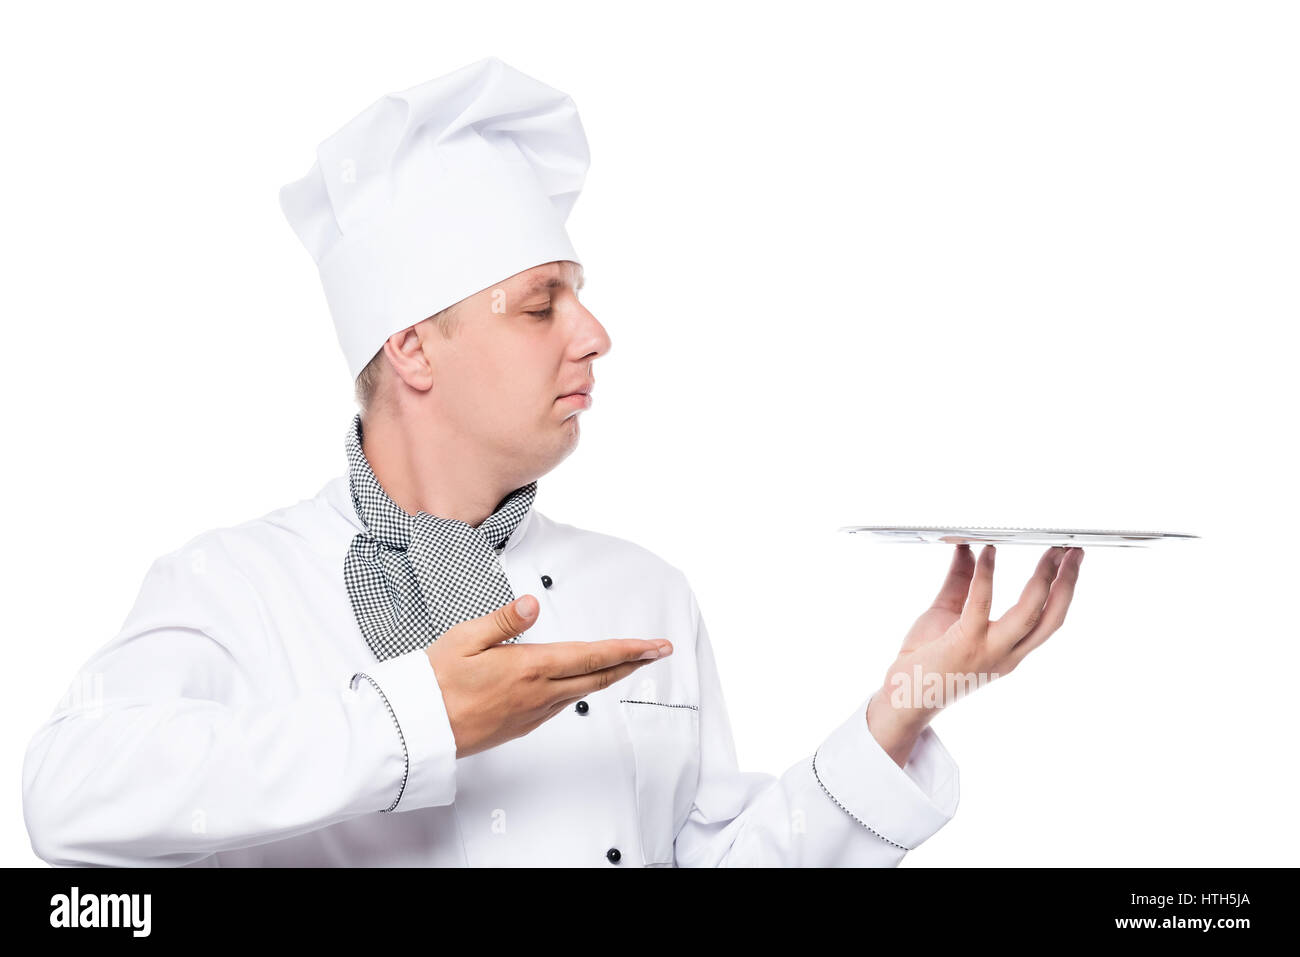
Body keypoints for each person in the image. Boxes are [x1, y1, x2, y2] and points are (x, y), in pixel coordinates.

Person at [20, 56, 1083, 868]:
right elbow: (66, 795)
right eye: (541, 304)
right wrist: (414, 719)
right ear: (412, 346)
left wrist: (904, 707)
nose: (595, 334)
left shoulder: (642, 590)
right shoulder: (239, 586)